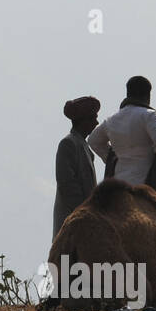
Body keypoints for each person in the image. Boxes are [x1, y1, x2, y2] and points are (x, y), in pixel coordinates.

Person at [87, 76, 156, 214]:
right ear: (148, 95)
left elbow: (93, 140)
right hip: (147, 188)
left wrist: (112, 159)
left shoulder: (112, 119)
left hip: (118, 187)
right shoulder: (150, 115)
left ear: (128, 93)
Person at [54, 96, 100, 239]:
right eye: (93, 118)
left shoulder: (84, 147)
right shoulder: (68, 144)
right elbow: (67, 185)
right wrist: (84, 212)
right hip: (71, 224)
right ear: (84, 121)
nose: (96, 122)